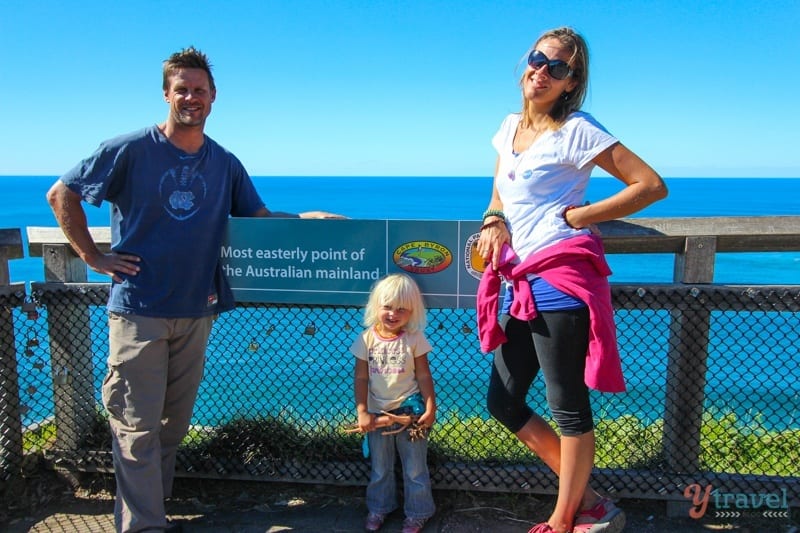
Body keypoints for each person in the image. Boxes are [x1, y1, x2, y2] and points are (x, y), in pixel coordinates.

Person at [46, 46, 342, 533]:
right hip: (138, 311)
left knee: (171, 427)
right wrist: (93, 258)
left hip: (196, 310)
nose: (191, 97)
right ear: (166, 93)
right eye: (181, 88)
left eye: (199, 90)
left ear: (213, 97)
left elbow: (258, 217)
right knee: (136, 428)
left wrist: (305, 220)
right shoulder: (129, 149)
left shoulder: (223, 162)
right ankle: (143, 526)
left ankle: (151, 509)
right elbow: (62, 194)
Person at [476, 27, 668, 533]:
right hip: (520, 279)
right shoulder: (508, 127)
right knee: (503, 400)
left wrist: (583, 216)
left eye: (556, 67)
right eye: (538, 60)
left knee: (567, 408)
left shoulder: (578, 129)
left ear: (571, 81)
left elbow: (650, 185)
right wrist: (494, 220)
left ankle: (563, 520)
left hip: (561, 277)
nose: (542, 71)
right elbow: (500, 194)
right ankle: (593, 501)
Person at [350, 273, 437, 533]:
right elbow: (361, 377)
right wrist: (362, 411)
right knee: (380, 467)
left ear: (412, 311)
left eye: (401, 309)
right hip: (377, 413)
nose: (393, 313)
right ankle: (379, 507)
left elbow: (423, 375)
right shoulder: (366, 339)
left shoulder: (414, 338)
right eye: (387, 306)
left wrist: (431, 407)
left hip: (411, 413)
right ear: (376, 306)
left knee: (414, 468)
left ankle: (419, 512)